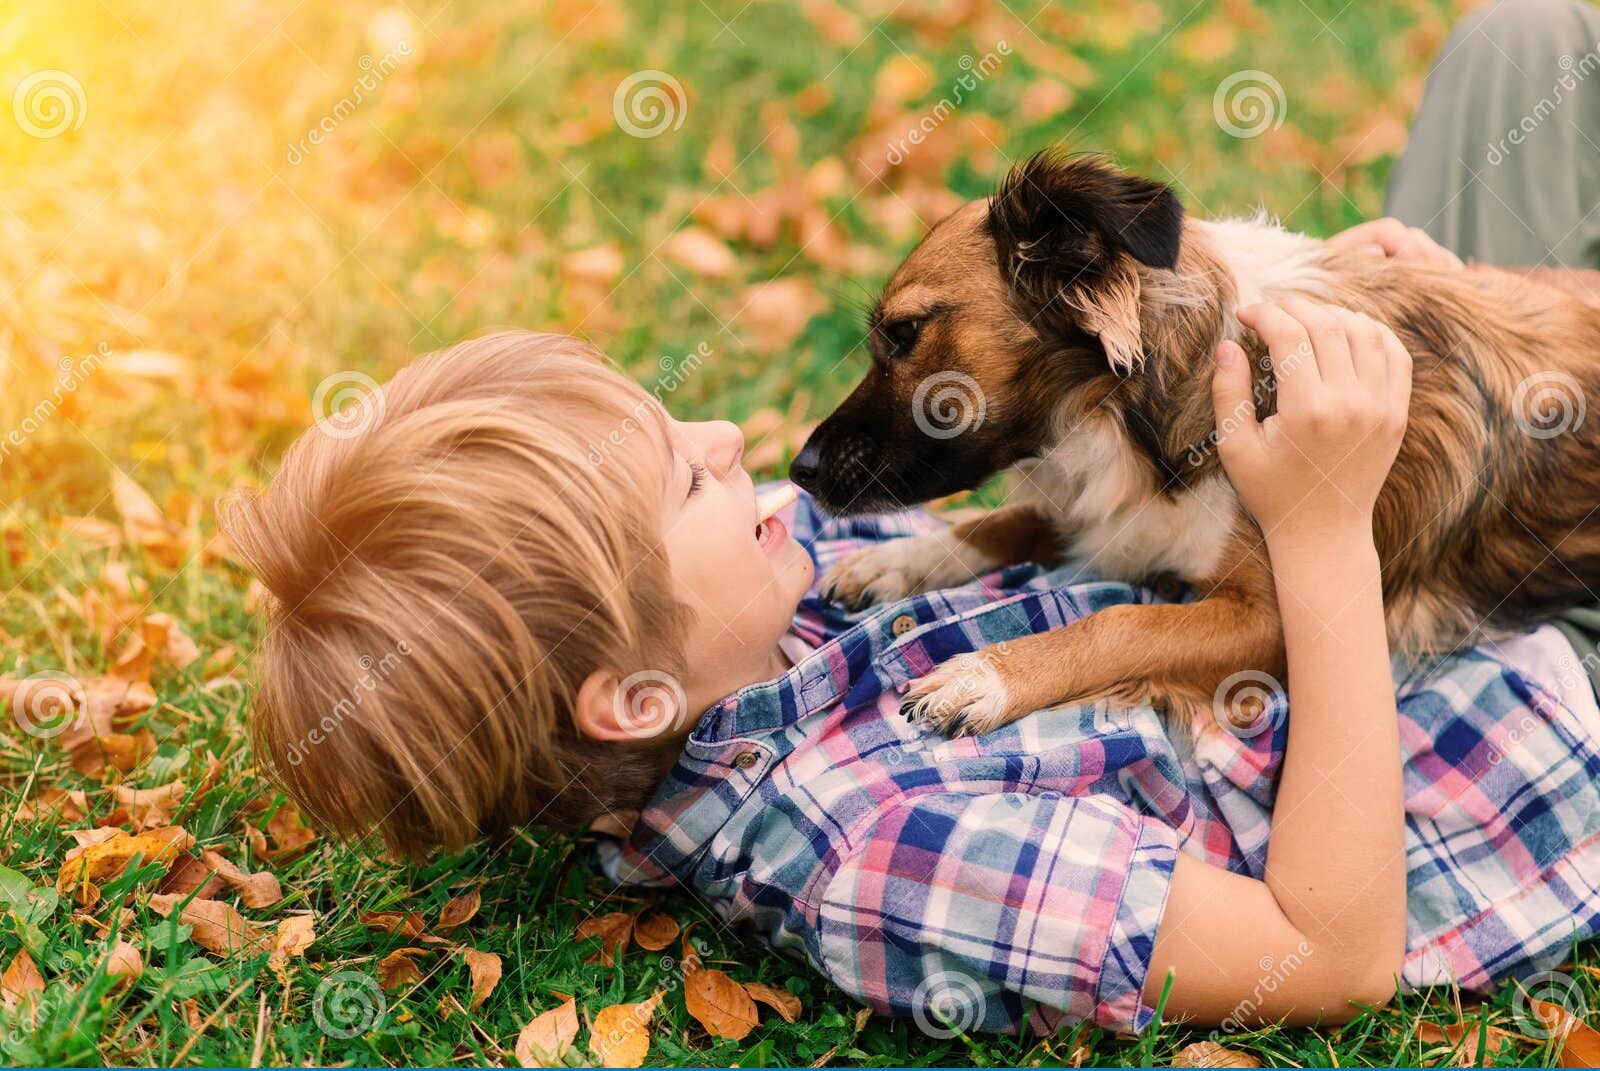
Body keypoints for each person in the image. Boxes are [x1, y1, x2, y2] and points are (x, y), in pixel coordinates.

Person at [224, 291, 1600, 1033]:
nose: (724, 436)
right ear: (633, 697)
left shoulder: (746, 634)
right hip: (1511, 675)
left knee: (1525, 41)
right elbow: (1330, 949)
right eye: (683, 483)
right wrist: (1326, 525)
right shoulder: (884, 852)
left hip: (1406, 503)